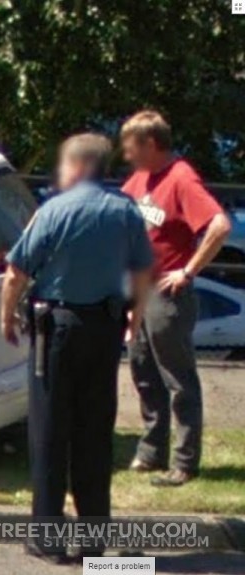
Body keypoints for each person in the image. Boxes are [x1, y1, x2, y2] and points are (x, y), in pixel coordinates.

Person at [1, 133, 153, 563]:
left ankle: (48, 538)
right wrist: (134, 320)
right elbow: (142, 272)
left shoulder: (54, 211)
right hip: (104, 328)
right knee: (93, 434)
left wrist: (6, 318)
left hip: (57, 329)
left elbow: (16, 272)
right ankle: (93, 539)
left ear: (79, 167)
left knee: (50, 432)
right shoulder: (125, 211)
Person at [120, 111, 232, 487]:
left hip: (166, 296)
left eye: (131, 147)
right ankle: (152, 453)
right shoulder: (140, 179)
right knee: (143, 374)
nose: (126, 156)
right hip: (138, 293)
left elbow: (219, 225)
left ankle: (184, 462)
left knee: (177, 379)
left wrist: (188, 270)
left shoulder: (181, 178)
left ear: (151, 144)